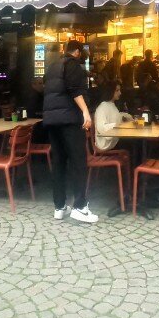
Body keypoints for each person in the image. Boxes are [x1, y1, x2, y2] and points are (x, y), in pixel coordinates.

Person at [43, 40, 98, 223]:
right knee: (78, 161)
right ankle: (80, 207)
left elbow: (47, 89)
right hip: (69, 120)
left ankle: (59, 207)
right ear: (77, 52)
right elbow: (75, 90)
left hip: (52, 121)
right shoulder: (72, 64)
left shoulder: (52, 66)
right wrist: (85, 112)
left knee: (59, 162)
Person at [94, 81, 132, 151]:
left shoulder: (111, 104)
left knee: (135, 141)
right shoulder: (102, 107)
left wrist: (127, 117)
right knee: (133, 142)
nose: (120, 93)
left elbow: (115, 117)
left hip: (113, 141)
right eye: (117, 90)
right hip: (106, 144)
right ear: (110, 91)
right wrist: (117, 125)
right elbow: (101, 128)